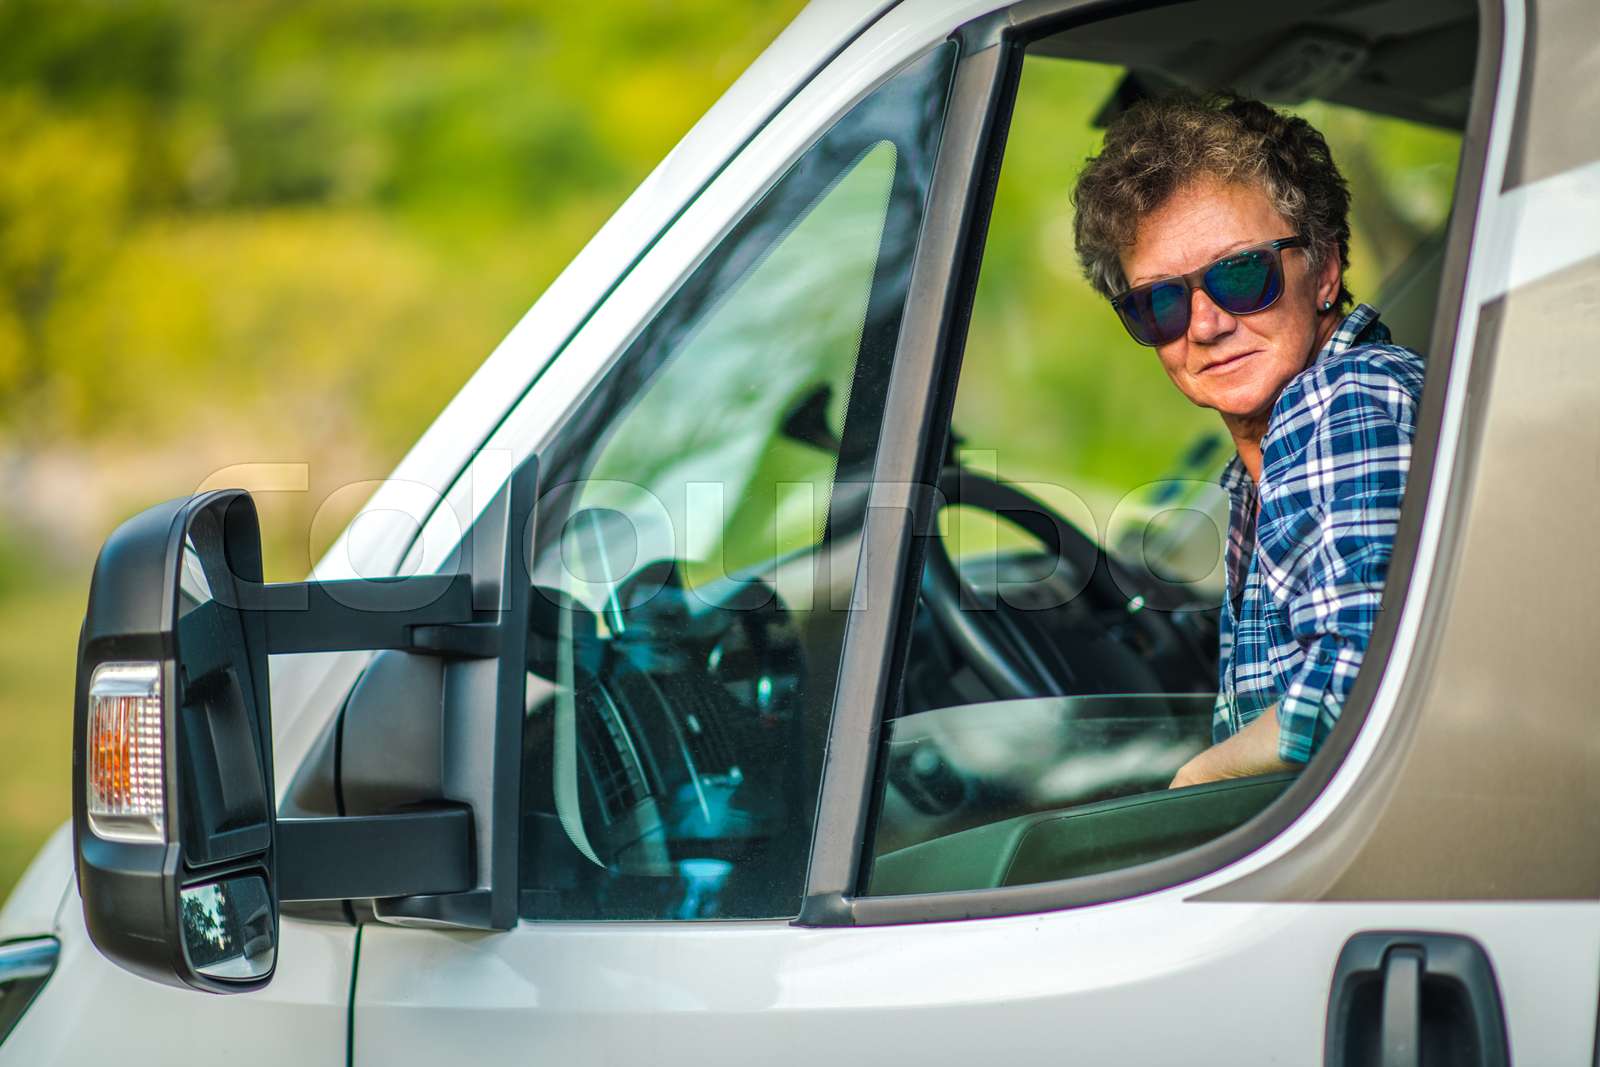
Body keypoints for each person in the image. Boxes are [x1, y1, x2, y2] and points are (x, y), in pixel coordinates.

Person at [1070, 93, 1424, 787]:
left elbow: (1362, 688)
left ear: (1323, 270)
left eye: (1239, 275)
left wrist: (1190, 785)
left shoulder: (1343, 398)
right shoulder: (1262, 462)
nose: (1203, 325)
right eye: (1160, 302)